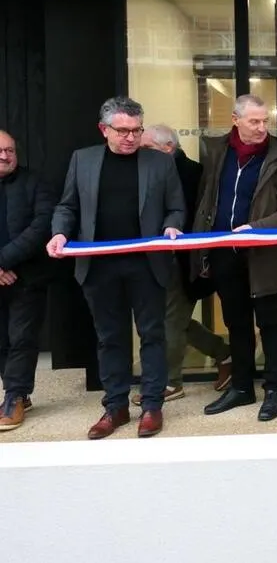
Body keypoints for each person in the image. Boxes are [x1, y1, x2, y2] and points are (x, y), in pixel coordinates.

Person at [47, 96, 185, 439]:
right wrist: (60, 232)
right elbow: (68, 206)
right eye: (122, 130)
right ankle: (116, 407)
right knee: (110, 338)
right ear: (103, 129)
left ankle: (152, 405)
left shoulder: (160, 163)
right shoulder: (84, 160)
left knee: (153, 335)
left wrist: (172, 226)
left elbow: (176, 207)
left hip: (147, 264)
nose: (131, 137)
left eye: (137, 130)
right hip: (99, 266)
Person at [193, 94, 277, 422]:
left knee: (271, 324)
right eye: (254, 121)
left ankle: (274, 390)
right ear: (236, 119)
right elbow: (205, 199)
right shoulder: (216, 153)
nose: (261, 128)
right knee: (237, 324)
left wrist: (255, 228)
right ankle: (242, 387)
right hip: (223, 254)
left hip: (264, 256)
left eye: (265, 121)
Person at [133, 124, 231, 405]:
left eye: (147, 147)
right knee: (174, 319)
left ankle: (170, 382)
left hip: (183, 260)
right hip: (154, 259)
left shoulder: (192, 175)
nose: (141, 152)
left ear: (168, 148)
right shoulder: (151, 171)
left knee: (170, 320)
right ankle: (224, 352)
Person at [0, 131, 56, 432]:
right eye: (0, 151)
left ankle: (14, 396)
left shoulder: (35, 182)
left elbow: (42, 226)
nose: (5, 156)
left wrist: (3, 261)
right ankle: (14, 390)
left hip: (27, 277)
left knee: (22, 338)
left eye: (9, 150)